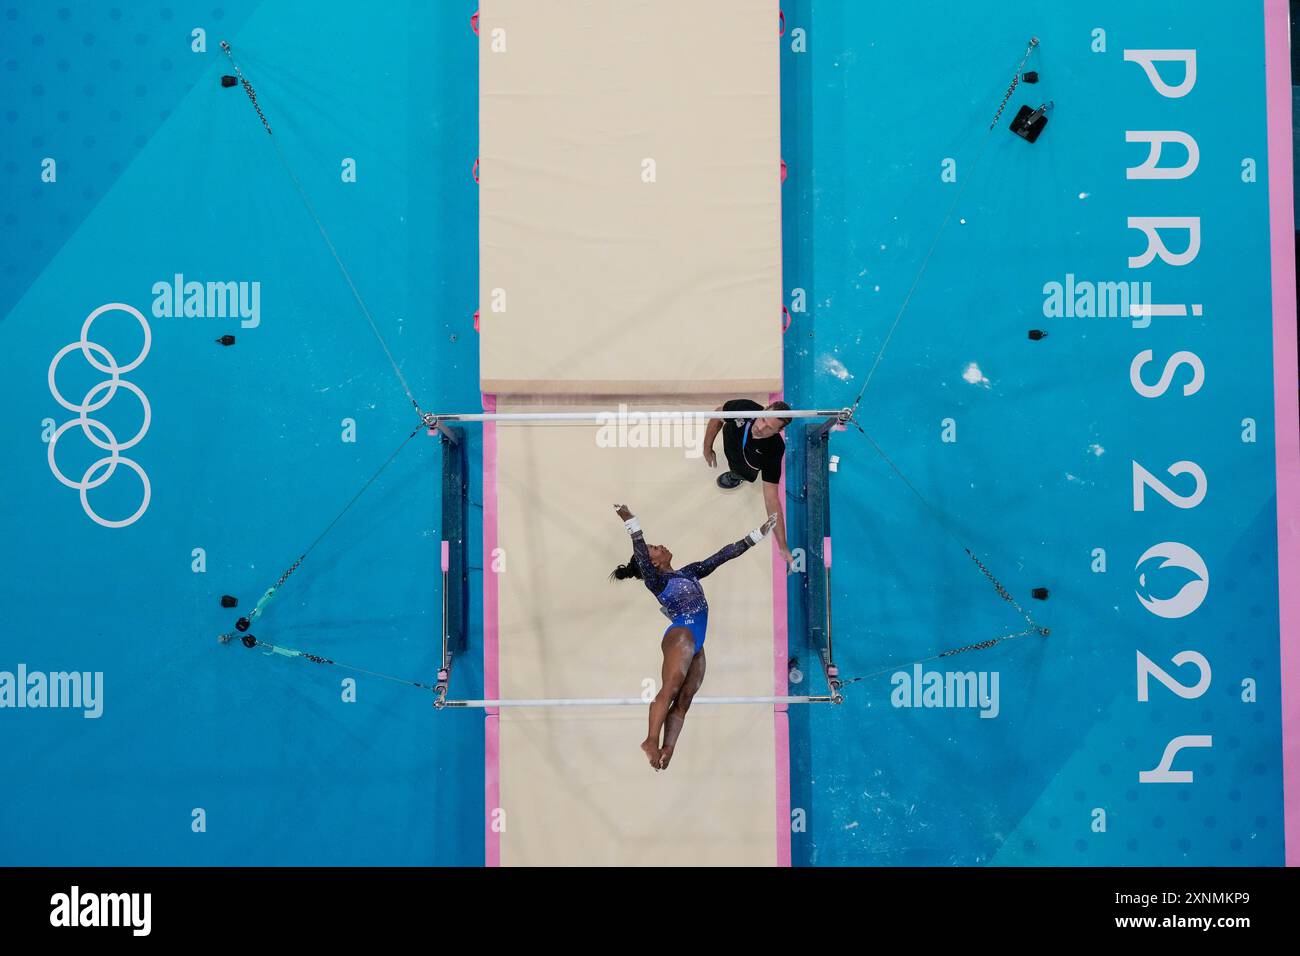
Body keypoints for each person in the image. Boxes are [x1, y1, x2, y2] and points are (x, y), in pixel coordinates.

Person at [611, 503, 777, 770]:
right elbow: (640, 554)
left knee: (685, 699)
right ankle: (651, 740)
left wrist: (756, 535)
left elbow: (720, 557)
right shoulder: (656, 581)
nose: (659, 546)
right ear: (653, 562)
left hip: (697, 641)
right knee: (671, 687)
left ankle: (668, 749)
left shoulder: (687, 572)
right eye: (654, 549)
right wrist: (631, 523)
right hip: (682, 634)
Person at [702, 399, 794, 571]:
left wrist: (782, 545)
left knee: (741, 472)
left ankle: (737, 476)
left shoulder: (775, 449)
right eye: (763, 419)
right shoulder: (744, 408)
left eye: (769, 428)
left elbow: (772, 500)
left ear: (779, 431)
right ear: (764, 410)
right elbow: (717, 414)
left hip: (748, 465)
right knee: (732, 456)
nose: (761, 427)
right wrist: (707, 447)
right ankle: (734, 471)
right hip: (732, 441)